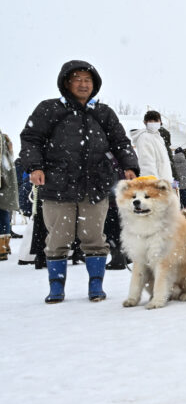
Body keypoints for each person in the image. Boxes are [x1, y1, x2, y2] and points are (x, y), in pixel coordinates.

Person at [19, 60, 139, 303]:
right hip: (57, 186)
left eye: (88, 80)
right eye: (78, 79)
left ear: (94, 85)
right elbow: (31, 138)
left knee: (95, 238)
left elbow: (120, 141)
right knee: (57, 239)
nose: (84, 84)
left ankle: (96, 285)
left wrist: (129, 165)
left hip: (94, 185)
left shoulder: (103, 113)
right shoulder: (49, 109)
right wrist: (35, 166)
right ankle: (56, 287)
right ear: (66, 82)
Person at [131, 111, 174, 182]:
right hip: (156, 184)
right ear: (145, 122)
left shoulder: (158, 137)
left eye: (156, 121)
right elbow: (146, 163)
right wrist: (152, 183)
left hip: (164, 182)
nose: (153, 123)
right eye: (150, 121)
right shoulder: (144, 137)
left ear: (160, 122)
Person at [0, 131, 18, 261]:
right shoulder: (5, 140)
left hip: (2, 182)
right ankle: (4, 246)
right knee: (3, 213)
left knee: (2, 214)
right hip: (6, 184)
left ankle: (2, 248)